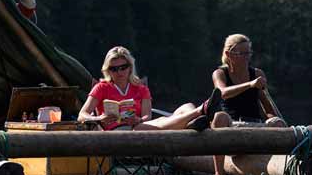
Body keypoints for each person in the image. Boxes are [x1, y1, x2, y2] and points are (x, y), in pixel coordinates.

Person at [78, 46, 222, 132]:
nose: (119, 72)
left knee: (186, 106)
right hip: (116, 134)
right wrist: (98, 118)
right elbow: (82, 115)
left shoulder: (141, 89)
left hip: (139, 127)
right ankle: (201, 110)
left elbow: (147, 117)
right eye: (114, 69)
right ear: (108, 70)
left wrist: (137, 119)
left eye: (123, 67)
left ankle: (192, 121)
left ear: (130, 68)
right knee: (150, 126)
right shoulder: (101, 87)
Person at [210, 34, 286, 175]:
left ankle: (283, 171)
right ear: (228, 54)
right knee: (219, 117)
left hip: (255, 128)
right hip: (232, 129)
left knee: (278, 122)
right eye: (242, 53)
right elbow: (223, 92)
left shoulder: (257, 74)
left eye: (248, 53)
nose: (247, 57)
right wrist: (250, 85)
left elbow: (268, 107)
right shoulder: (220, 73)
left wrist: (276, 121)